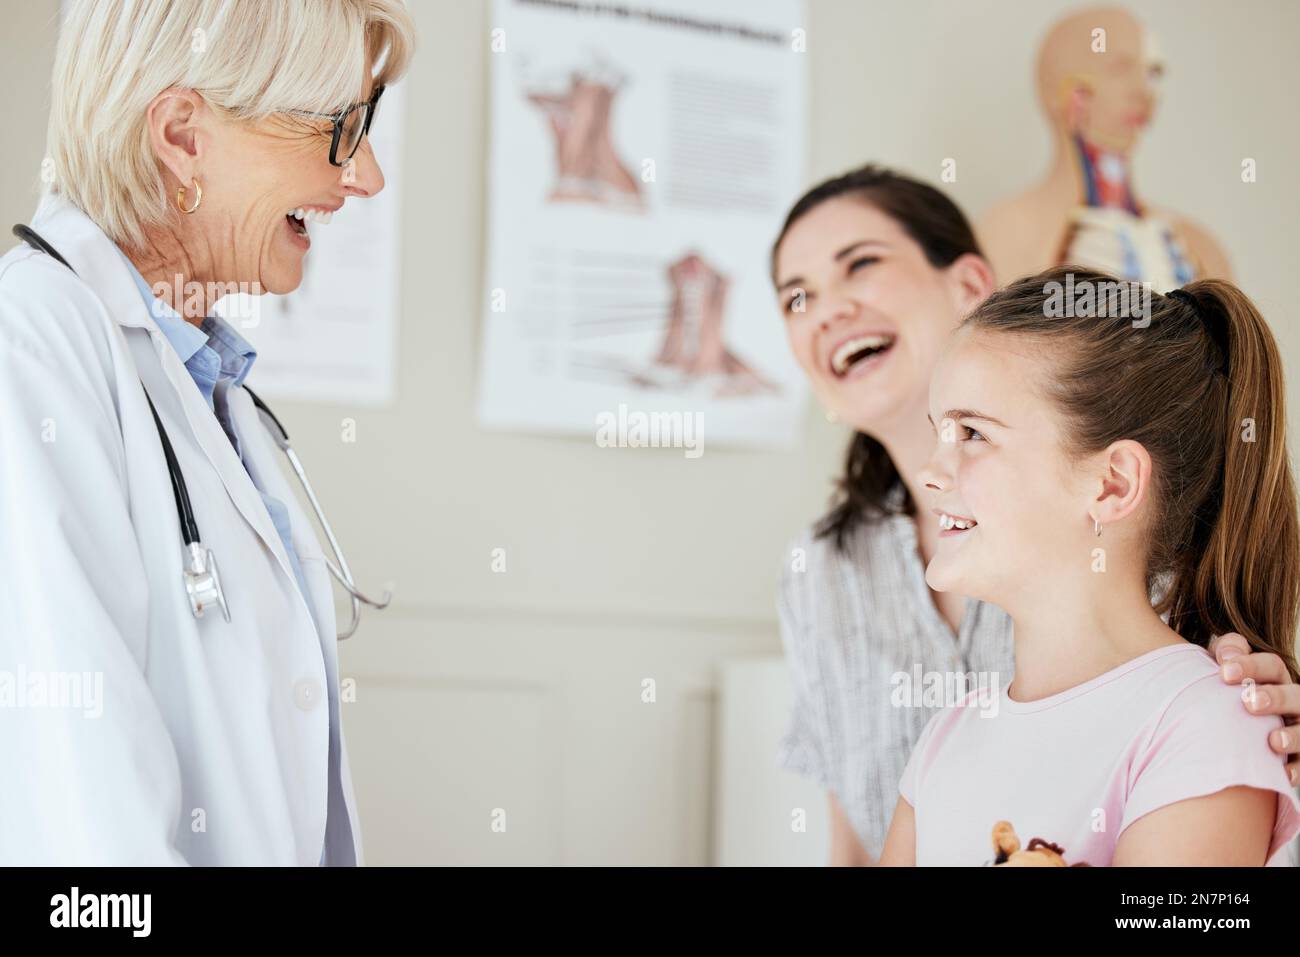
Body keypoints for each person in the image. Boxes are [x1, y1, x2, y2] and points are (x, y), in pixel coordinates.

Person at [771, 165, 1299, 866]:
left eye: (860, 264)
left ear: (1113, 485)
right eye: (797, 297)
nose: (826, 311)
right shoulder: (843, 604)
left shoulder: (1203, 706)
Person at [0, 0, 414, 865]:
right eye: (339, 129)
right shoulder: (31, 342)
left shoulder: (202, 376)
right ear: (183, 136)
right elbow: (87, 827)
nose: (367, 176)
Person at [879, 269, 1300, 865]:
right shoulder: (946, 737)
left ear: (1112, 484)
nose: (928, 471)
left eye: (972, 433)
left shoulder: (1205, 723)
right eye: (939, 432)